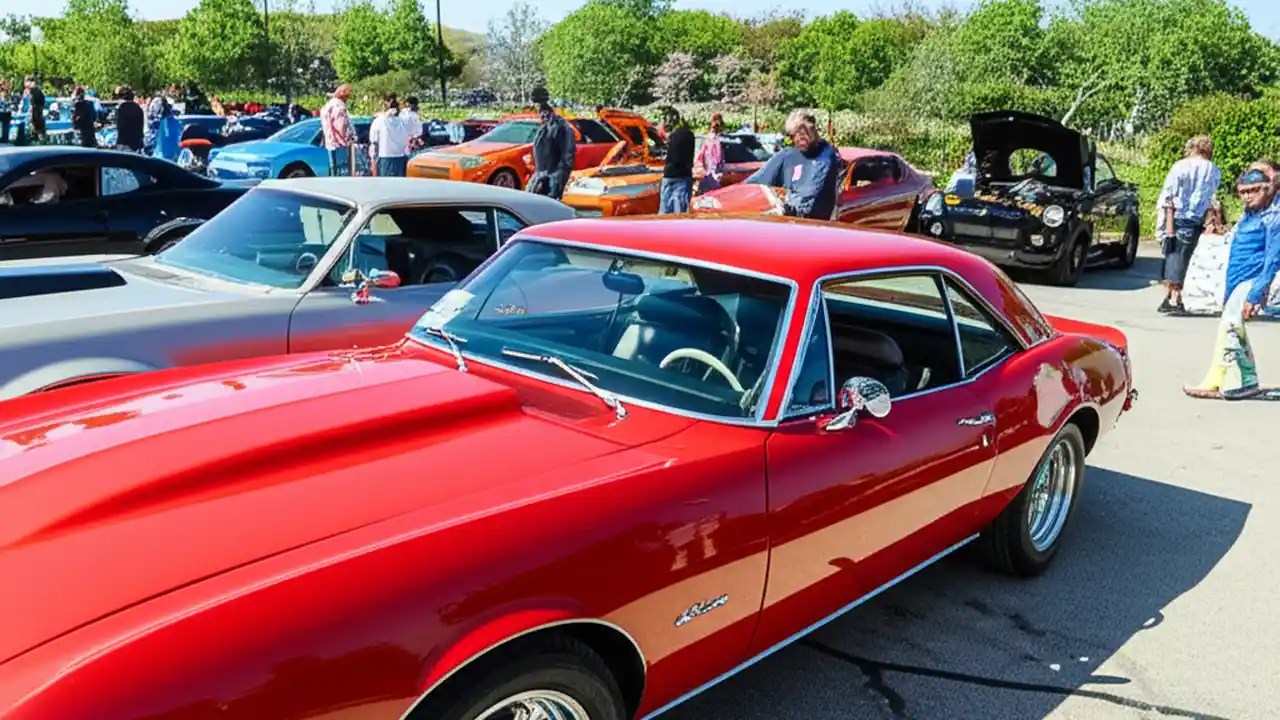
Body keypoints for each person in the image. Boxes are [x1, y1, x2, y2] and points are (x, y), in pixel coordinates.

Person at [1183, 166, 1280, 400]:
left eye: (1254, 190)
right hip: (1237, 279)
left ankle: (1230, 381)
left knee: (1230, 325)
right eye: (1244, 191)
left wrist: (1257, 293)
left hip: (1252, 280)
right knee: (1232, 325)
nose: (1248, 196)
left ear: (1267, 189)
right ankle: (1244, 379)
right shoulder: (1250, 215)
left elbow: (1273, 258)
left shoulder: (1274, 217)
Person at [1158, 136, 1222, 314]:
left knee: (1173, 254)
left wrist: (1168, 224)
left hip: (1178, 216)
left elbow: (1169, 196)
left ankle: (1172, 296)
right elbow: (1211, 199)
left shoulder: (1180, 166)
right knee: (1185, 257)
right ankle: (1175, 296)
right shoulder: (1214, 170)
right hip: (1198, 219)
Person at [744, 110, 842, 219]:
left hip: (812, 226)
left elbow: (810, 203)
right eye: (791, 136)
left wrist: (785, 209)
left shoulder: (825, 157)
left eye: (802, 134)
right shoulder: (788, 155)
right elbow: (753, 183)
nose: (796, 140)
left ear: (812, 131)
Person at [525, 87, 575, 199]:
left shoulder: (557, 126)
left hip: (553, 174)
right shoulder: (545, 127)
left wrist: (556, 176)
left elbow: (567, 153)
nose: (540, 115)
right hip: (543, 173)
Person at [659, 107, 695, 214]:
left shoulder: (673, 136)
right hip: (683, 176)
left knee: (665, 208)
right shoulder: (689, 135)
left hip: (669, 175)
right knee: (681, 211)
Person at [369, 96, 412, 177]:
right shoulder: (402, 121)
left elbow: (373, 140)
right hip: (402, 158)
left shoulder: (379, 121)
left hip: (385, 158)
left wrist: (373, 160)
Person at [321, 84, 356, 177]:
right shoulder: (339, 106)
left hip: (331, 142)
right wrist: (350, 136)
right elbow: (342, 124)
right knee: (342, 169)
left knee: (333, 167)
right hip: (340, 143)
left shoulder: (327, 107)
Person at [694, 112, 727, 195]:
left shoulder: (708, 138)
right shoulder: (717, 139)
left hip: (708, 164)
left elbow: (701, 153)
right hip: (714, 165)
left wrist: (699, 161)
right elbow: (719, 155)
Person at [114, 86, 144, 152]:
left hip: (123, 143)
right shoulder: (138, 108)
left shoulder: (121, 108)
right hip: (136, 143)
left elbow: (119, 126)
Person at [23, 77, 45, 141]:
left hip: (36, 108)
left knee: (34, 122)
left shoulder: (33, 90)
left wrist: (32, 107)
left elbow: (34, 99)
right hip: (37, 107)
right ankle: (35, 136)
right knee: (34, 121)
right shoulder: (35, 90)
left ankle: (39, 137)